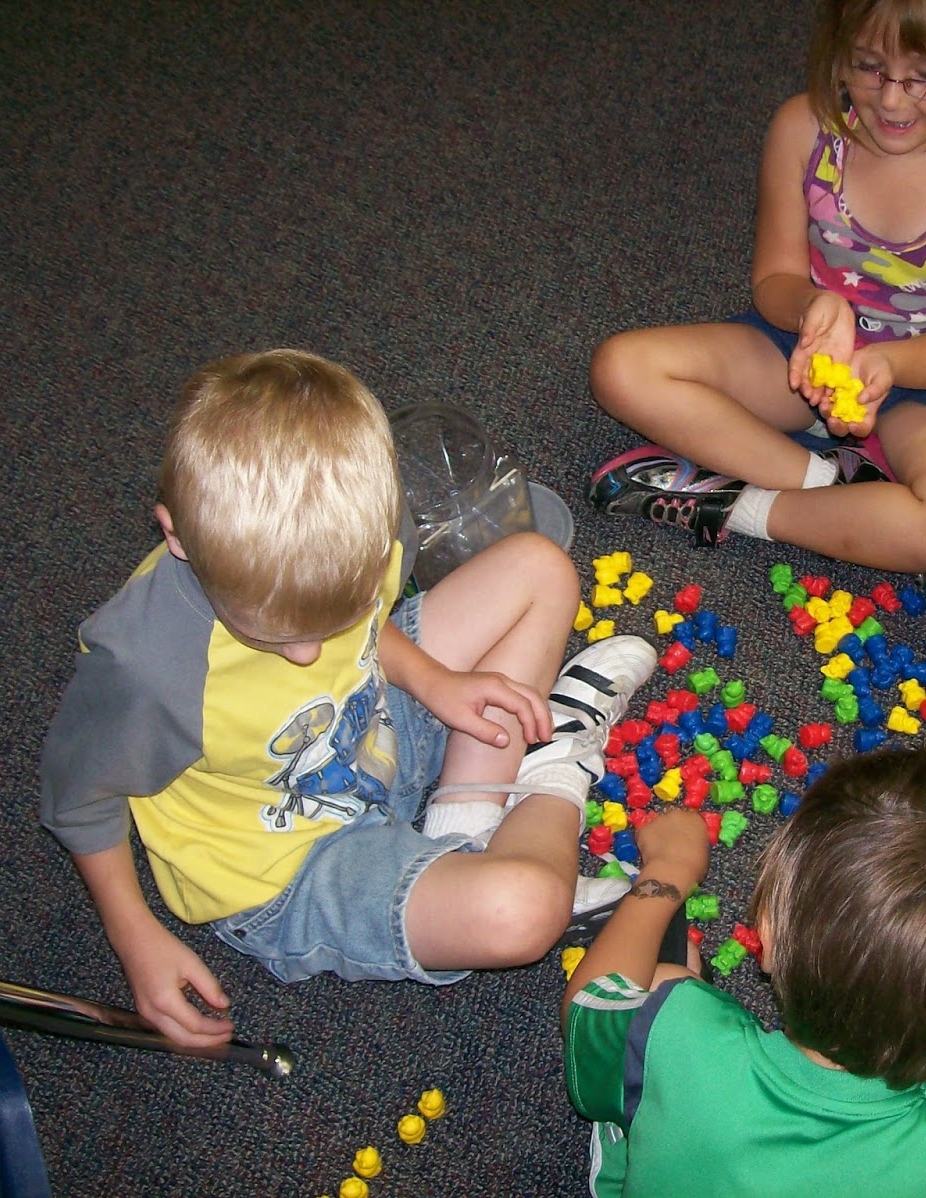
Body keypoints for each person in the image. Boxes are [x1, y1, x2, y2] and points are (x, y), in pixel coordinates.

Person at [40, 349, 656, 1048]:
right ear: (176, 536)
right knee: (523, 913)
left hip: (375, 721)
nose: (308, 656)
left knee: (541, 567)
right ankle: (558, 760)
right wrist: (133, 934)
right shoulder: (146, 671)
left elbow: (367, 632)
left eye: (332, 620)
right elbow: (78, 800)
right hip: (290, 864)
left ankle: (466, 823)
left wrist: (433, 680)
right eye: (274, 635)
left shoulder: (365, 516)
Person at [586, 0, 926, 574]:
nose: (891, 100)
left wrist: (889, 364)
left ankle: (740, 507)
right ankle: (836, 485)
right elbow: (773, 281)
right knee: (622, 369)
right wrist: (813, 305)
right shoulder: (804, 128)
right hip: (797, 350)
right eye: (869, 65)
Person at [563, 751, 926, 1198]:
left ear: (768, 938)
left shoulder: (674, 1032)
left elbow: (585, 1003)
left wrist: (669, 872)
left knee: (663, 976)